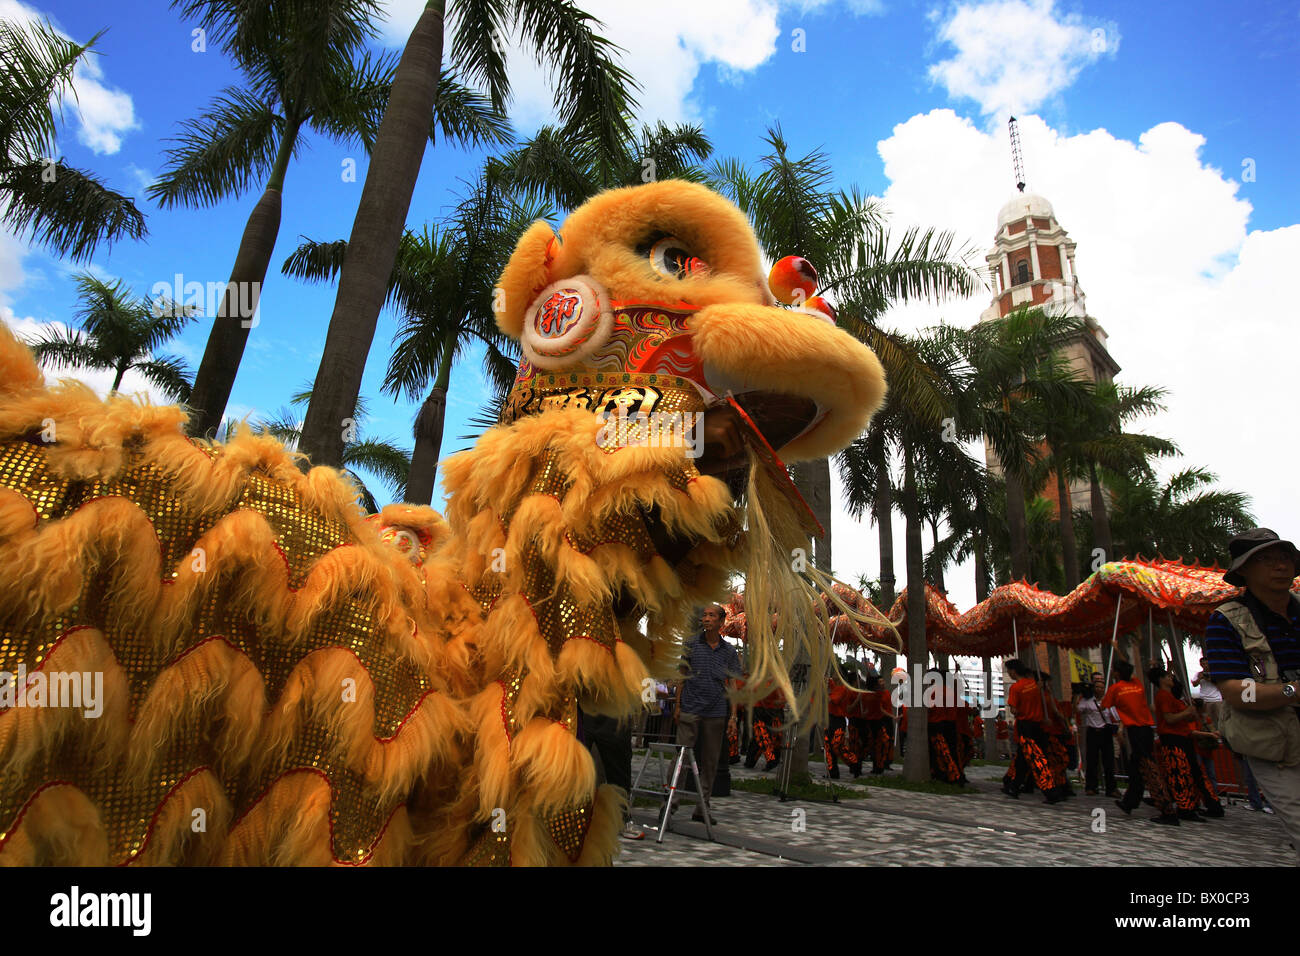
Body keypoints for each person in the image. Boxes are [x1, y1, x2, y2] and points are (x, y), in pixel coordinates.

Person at [1203, 527, 1300, 859]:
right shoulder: (1226, 621)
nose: (1280, 566)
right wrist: (1292, 691)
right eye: (1266, 560)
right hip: (1273, 746)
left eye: (1285, 557)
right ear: (1244, 570)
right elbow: (1235, 692)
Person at [675, 604, 741, 825]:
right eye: (704, 615)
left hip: (716, 712)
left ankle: (702, 807)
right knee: (681, 757)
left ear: (721, 622)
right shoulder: (691, 644)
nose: (706, 619)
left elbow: (733, 685)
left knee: (710, 761)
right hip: (691, 708)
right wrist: (678, 706)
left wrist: (733, 717)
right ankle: (671, 801)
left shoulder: (729, 652)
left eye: (712, 615)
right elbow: (682, 676)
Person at [1102, 654, 1179, 825]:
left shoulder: (1116, 688)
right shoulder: (1136, 683)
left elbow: (1104, 707)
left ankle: (1167, 809)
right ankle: (1129, 802)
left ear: (1117, 673)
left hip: (1137, 731)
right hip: (1145, 729)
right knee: (1135, 767)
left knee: (1148, 767)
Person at [1151, 665, 1224, 821]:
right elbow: (1169, 719)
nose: (1171, 678)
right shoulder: (1163, 696)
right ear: (1161, 680)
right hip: (1172, 739)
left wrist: (1190, 713)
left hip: (1183, 738)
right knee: (1179, 773)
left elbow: (1184, 718)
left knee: (1193, 772)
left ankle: (1205, 805)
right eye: (1168, 676)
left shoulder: (1172, 698)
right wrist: (1186, 713)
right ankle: (1186, 807)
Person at [1001, 659, 1063, 802]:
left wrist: (1022, 709)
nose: (1009, 674)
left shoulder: (1016, 688)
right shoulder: (1037, 685)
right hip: (1038, 726)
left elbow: (1014, 710)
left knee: (1036, 758)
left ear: (1013, 671)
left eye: (1008, 671)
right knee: (1023, 758)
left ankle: (1051, 791)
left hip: (1025, 726)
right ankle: (1013, 786)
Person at [1077, 680, 1119, 797]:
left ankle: (1111, 788)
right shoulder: (1087, 700)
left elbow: (1116, 715)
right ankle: (1091, 786)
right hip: (1092, 731)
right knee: (1092, 760)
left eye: (1101, 687)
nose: (1099, 689)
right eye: (1097, 687)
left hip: (1105, 731)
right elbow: (1078, 709)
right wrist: (1077, 695)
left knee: (1108, 762)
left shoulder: (1108, 701)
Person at [1193, 656, 1224, 729]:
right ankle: (1212, 733)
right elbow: (1194, 684)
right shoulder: (1199, 674)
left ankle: (1222, 732)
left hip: (1217, 699)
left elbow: (1220, 685)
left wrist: (1209, 679)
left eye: (1206, 663)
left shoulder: (1215, 673)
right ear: (1201, 664)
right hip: (1205, 700)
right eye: (1203, 664)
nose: (1205, 665)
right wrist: (1200, 678)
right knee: (1208, 720)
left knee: (1220, 719)